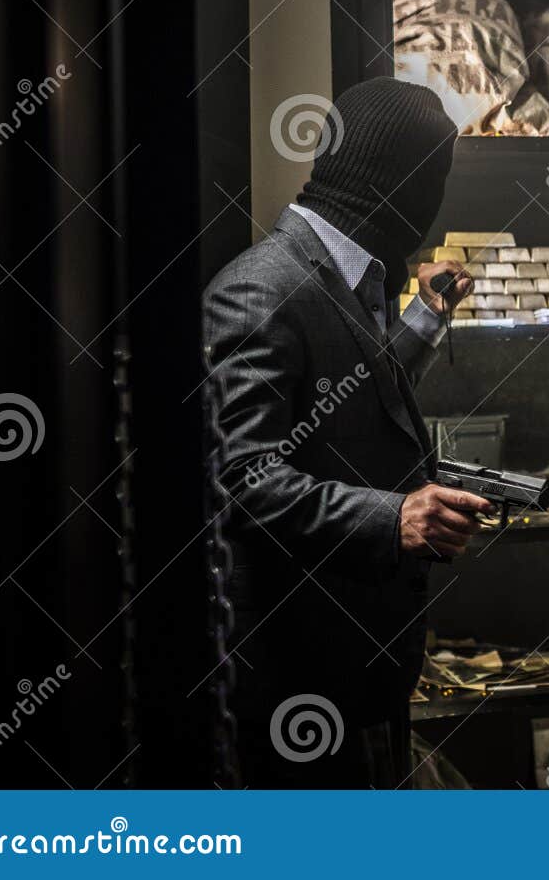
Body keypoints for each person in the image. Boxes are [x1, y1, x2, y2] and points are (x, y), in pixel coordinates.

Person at [203, 77, 484, 787]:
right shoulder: (261, 289)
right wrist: (395, 517)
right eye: (435, 181)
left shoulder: (339, 275)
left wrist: (422, 322)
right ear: (402, 185)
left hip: (361, 673)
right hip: (300, 677)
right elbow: (239, 477)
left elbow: (350, 399)